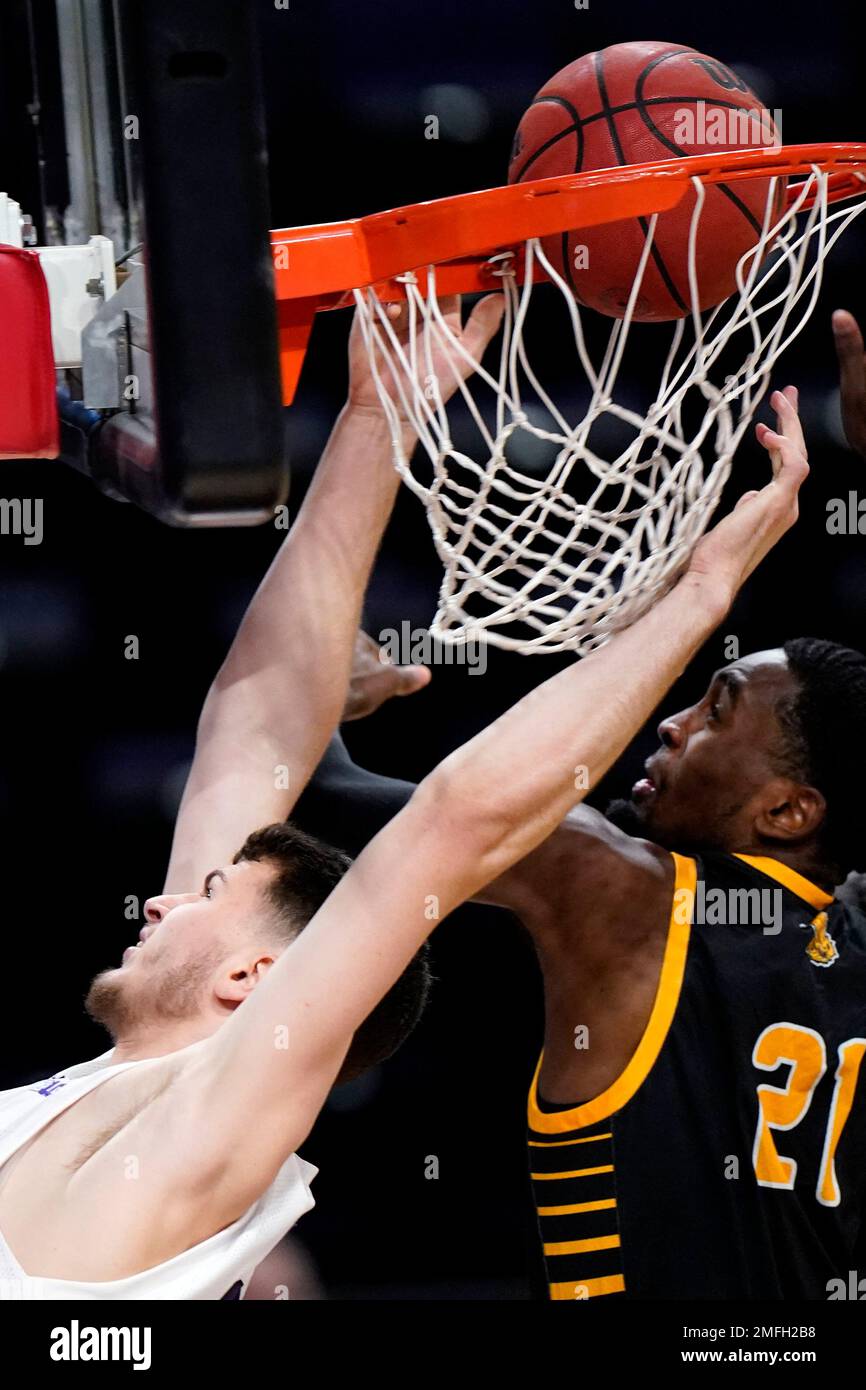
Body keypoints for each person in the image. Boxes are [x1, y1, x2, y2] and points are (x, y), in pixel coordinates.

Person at [0, 292, 804, 1300]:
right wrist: (375, 422)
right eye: (196, 889)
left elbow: (450, 823)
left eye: (205, 897)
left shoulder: (210, 1118)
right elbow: (244, 740)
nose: (161, 898)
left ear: (256, 980)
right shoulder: (98, 1096)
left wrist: (700, 595)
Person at [299, 363, 866, 1299]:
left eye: (716, 713)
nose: (673, 724)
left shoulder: (629, 895)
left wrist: (323, 693)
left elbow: (308, 794)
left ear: (788, 812)